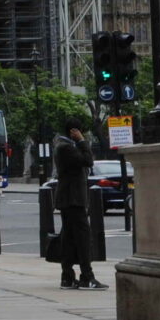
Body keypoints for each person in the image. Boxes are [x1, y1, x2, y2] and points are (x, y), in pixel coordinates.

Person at [51, 117, 106, 291]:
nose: (83, 135)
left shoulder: (63, 147)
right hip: (73, 199)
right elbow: (88, 160)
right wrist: (82, 141)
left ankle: (67, 277)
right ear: (73, 132)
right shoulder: (66, 147)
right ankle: (86, 277)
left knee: (69, 238)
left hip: (69, 199)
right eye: (80, 132)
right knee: (82, 238)